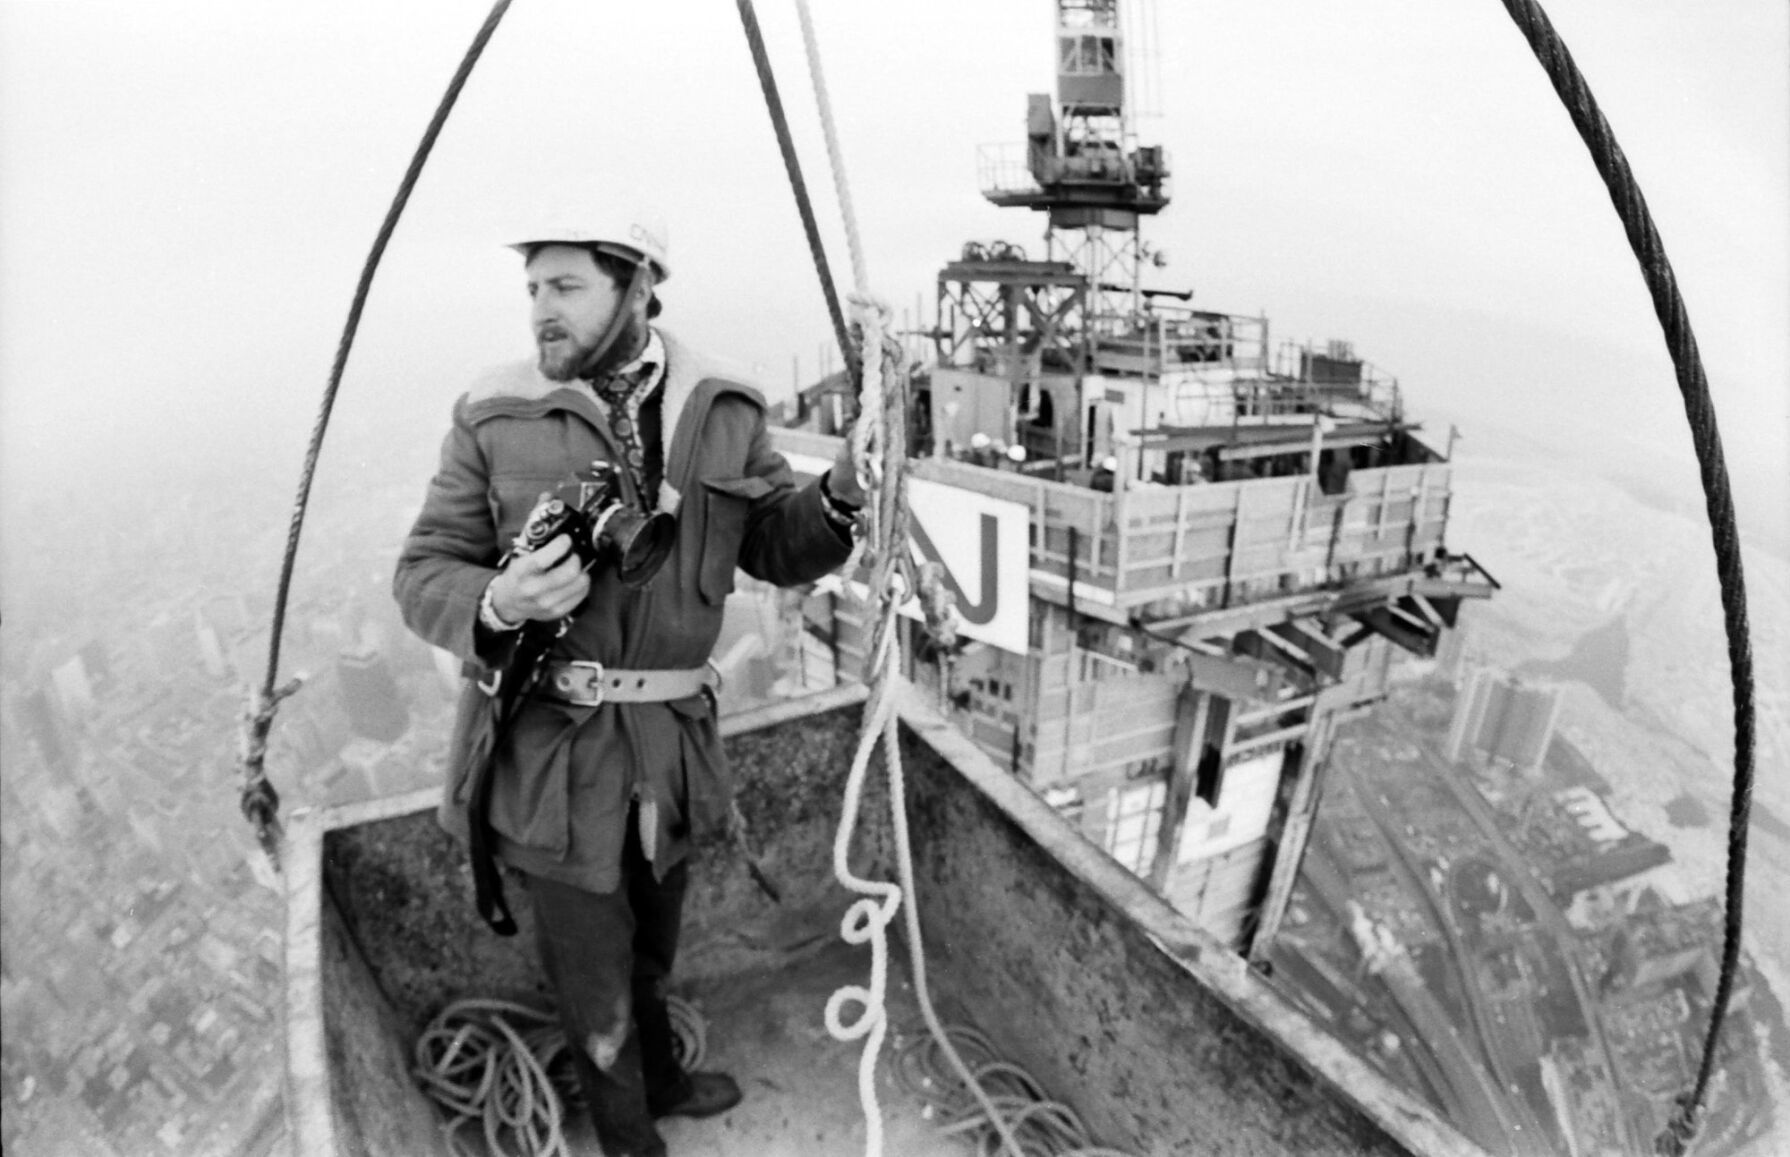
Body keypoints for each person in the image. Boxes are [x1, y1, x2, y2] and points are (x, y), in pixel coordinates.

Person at [393, 210, 864, 1157]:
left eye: (565, 287)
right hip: (554, 756)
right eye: (533, 290)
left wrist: (844, 495)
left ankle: (667, 1077)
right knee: (592, 979)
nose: (541, 312)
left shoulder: (725, 410)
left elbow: (774, 541)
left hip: (671, 746)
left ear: (639, 287)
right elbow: (423, 570)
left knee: (653, 947)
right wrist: (502, 598)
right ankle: (627, 1140)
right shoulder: (494, 413)